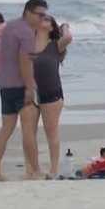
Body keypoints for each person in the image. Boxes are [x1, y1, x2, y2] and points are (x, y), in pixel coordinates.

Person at [0, 0, 43, 181]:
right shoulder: (26, 32)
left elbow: (0, 54)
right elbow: (25, 61)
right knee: (28, 130)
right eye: (39, 14)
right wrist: (30, 87)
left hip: (5, 85)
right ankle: (35, 170)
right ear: (28, 12)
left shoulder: (8, 27)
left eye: (44, 15)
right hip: (21, 85)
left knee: (6, 129)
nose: (41, 19)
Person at [33, 14, 72, 178]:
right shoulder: (29, 44)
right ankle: (33, 169)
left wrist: (64, 26)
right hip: (32, 94)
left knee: (51, 132)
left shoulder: (56, 45)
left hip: (52, 94)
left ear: (51, 27)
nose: (42, 20)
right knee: (30, 133)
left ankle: (54, 169)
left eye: (47, 20)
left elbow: (68, 36)